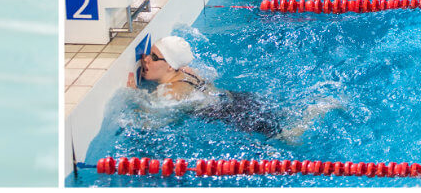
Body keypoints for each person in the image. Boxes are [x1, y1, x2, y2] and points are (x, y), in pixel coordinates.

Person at [125, 35, 341, 144]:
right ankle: (314, 107)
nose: (145, 59)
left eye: (153, 57)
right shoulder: (190, 72)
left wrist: (134, 95)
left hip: (235, 114)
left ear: (170, 65)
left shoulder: (171, 92)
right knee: (284, 118)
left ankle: (316, 112)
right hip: (240, 99)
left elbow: (148, 126)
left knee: (289, 139)